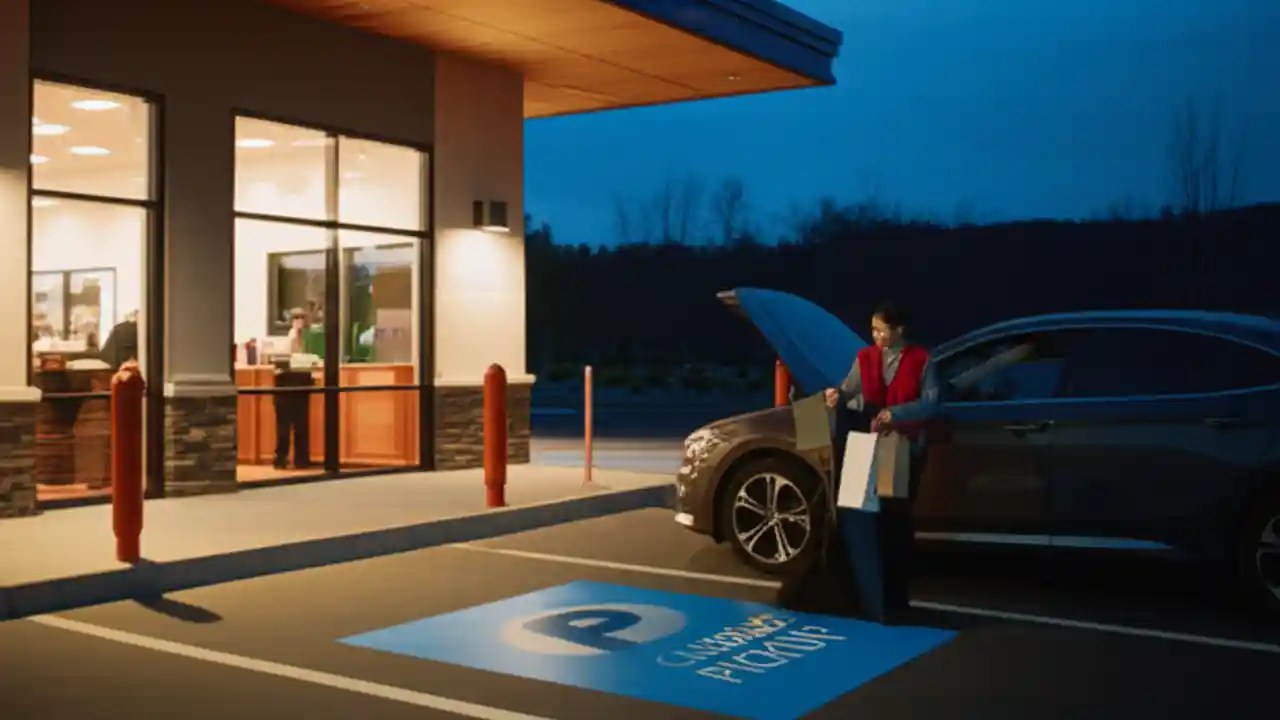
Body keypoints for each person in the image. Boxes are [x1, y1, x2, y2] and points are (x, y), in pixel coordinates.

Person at [821, 301, 942, 622]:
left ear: (899, 329)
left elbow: (931, 403)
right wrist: (837, 395)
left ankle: (896, 593)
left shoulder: (922, 360)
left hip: (903, 448)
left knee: (896, 519)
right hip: (866, 446)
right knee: (863, 519)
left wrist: (896, 414)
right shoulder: (865, 357)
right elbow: (850, 390)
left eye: (880, 329)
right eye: (873, 330)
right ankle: (867, 591)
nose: (875, 335)